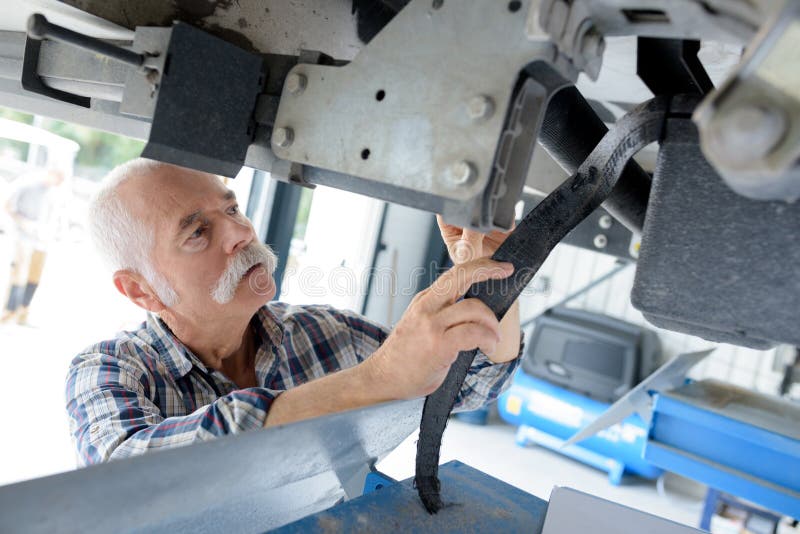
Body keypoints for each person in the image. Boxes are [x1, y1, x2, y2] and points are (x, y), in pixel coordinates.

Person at [66, 158, 522, 466]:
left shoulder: (319, 331)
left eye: (232, 208)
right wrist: (377, 379)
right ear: (140, 290)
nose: (241, 232)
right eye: (198, 232)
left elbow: (476, 382)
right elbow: (130, 478)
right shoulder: (108, 371)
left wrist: (496, 275)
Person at [1, 167, 64, 325]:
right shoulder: (27, 184)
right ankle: (9, 311)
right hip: (23, 237)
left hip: (42, 239)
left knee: (35, 275)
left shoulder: (54, 193)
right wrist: (24, 223)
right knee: (19, 273)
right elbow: (8, 206)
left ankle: (23, 310)